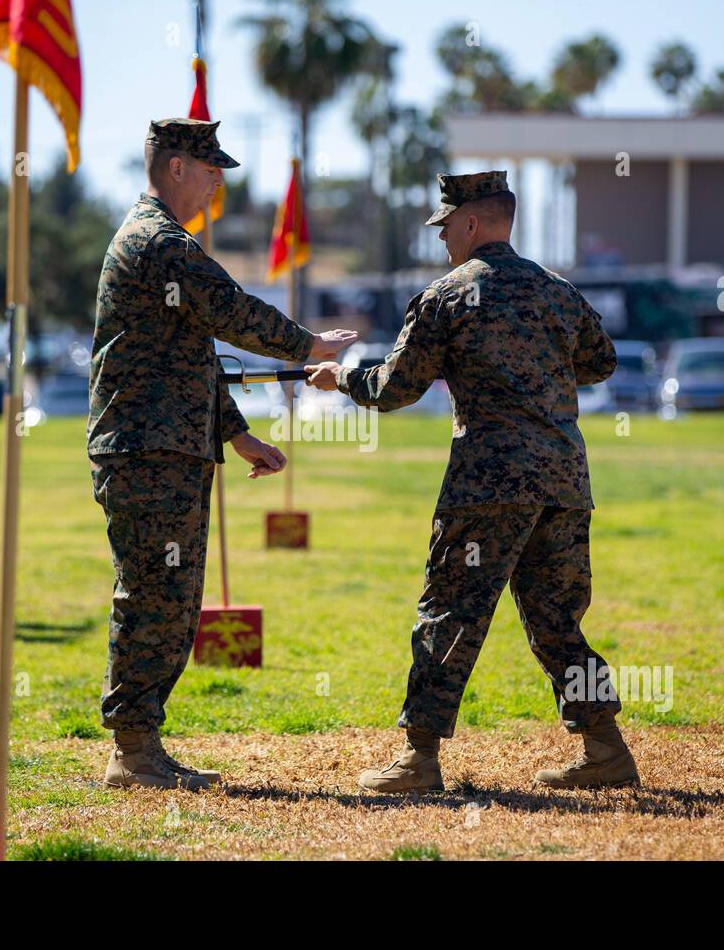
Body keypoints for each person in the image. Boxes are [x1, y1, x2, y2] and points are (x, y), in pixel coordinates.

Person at [305, 171, 637, 792]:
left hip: (489, 483)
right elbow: (602, 361)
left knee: (451, 611)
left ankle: (419, 760)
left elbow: (394, 387)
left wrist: (341, 378)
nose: (442, 241)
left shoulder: (449, 296)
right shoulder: (557, 290)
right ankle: (606, 749)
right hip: (563, 480)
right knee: (556, 619)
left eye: (446, 229)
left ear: (472, 224)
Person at [89, 118, 356, 790]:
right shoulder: (159, 243)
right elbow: (231, 309)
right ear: (176, 167)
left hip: (167, 447)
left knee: (172, 598)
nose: (218, 183)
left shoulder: (165, 241)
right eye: (210, 170)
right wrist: (308, 345)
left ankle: (142, 741)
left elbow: (197, 354)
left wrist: (236, 435)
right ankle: (131, 750)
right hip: (147, 450)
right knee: (154, 595)